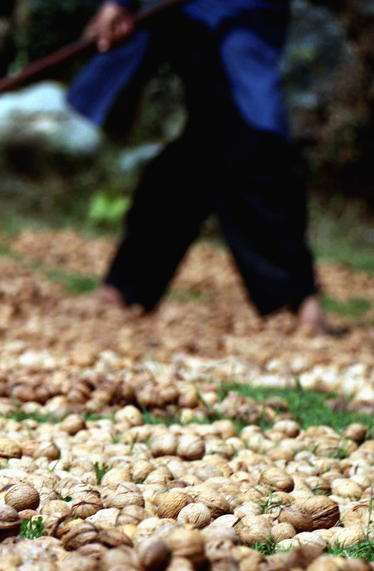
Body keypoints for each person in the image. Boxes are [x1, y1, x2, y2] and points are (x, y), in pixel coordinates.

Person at [67, 0, 329, 334]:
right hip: (194, 13)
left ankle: (298, 304)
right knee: (189, 165)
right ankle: (124, 289)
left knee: (247, 145)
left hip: (233, 15)